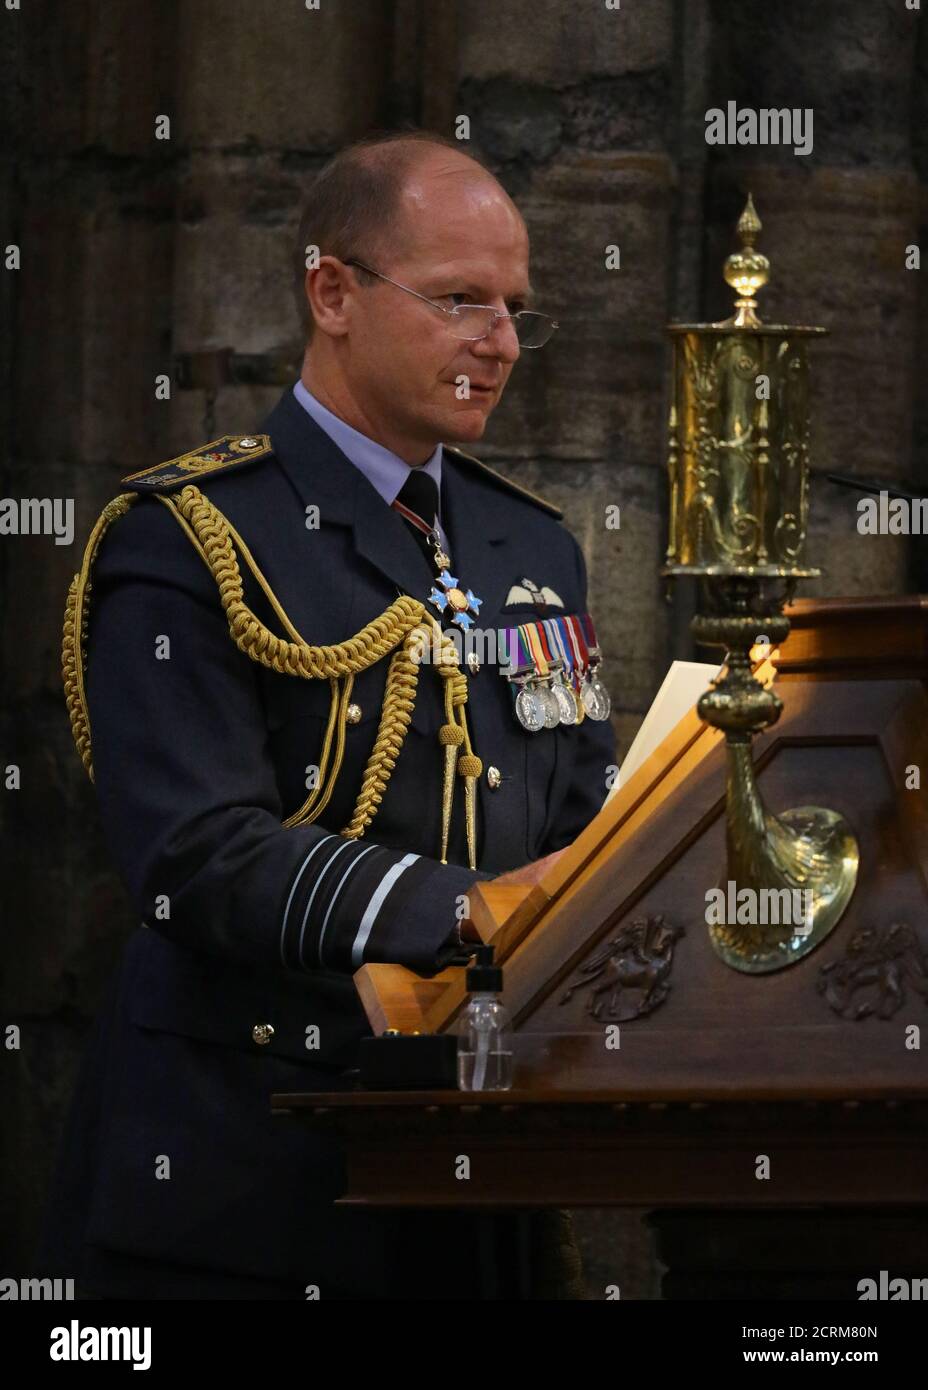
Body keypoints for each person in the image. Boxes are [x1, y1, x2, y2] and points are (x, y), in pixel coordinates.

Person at [37, 128, 617, 1299]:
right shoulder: (190, 533)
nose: (498, 345)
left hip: (475, 1179)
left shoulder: (529, 543)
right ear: (331, 291)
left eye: (514, 310)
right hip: (245, 1173)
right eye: (460, 300)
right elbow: (190, 855)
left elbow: (581, 819)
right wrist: (466, 909)